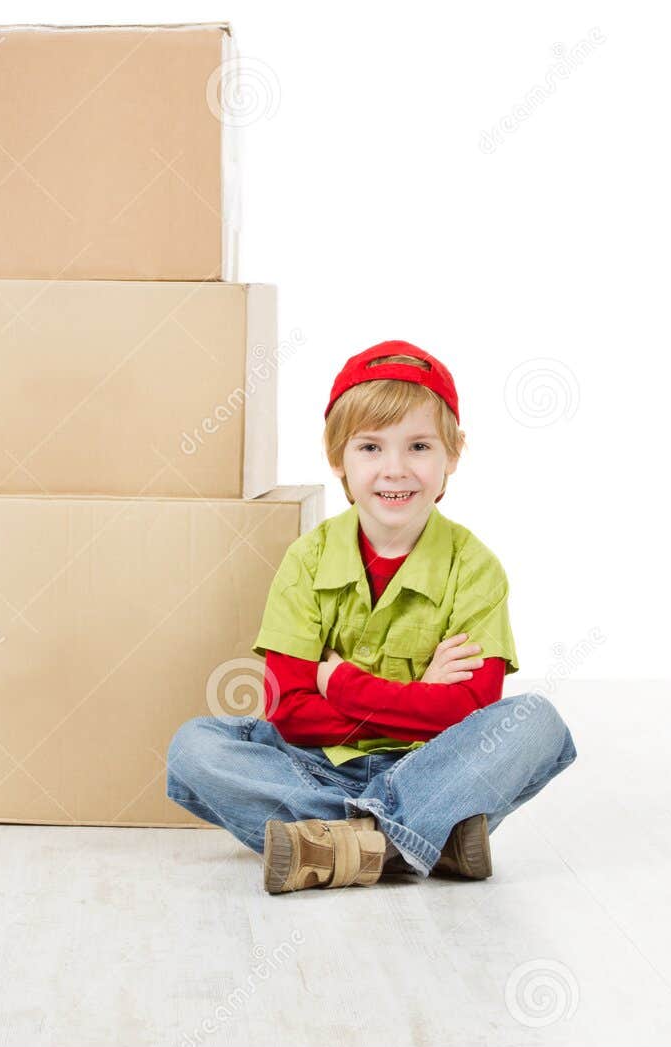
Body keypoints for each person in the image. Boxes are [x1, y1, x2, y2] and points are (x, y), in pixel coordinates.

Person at [165, 340, 578, 894]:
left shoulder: (475, 568)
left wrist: (339, 683)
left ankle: (342, 844)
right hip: (315, 764)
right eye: (370, 447)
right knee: (195, 746)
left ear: (453, 455)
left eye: (419, 446)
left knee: (536, 722)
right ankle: (424, 837)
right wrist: (423, 699)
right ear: (338, 456)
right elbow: (289, 713)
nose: (395, 470)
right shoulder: (307, 560)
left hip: (433, 767)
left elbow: (472, 710)